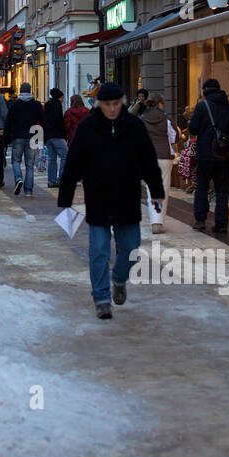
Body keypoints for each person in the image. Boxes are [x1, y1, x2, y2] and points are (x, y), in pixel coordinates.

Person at [58, 82, 165, 320]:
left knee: (130, 249)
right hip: (98, 197)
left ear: (123, 103)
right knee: (99, 250)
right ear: (99, 104)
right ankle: (102, 298)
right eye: (108, 105)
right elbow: (73, 163)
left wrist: (156, 190)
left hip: (127, 197)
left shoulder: (134, 126)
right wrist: (65, 197)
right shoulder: (88, 127)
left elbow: (148, 159)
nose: (113, 109)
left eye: (116, 104)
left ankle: (118, 279)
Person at [188, 77, 229, 233]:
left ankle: (200, 220)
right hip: (224, 155)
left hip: (205, 155)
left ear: (204, 91)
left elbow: (193, 129)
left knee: (202, 187)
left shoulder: (201, 107)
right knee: (222, 190)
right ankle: (222, 223)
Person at [141, 93, 175, 234]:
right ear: (160, 104)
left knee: (151, 190)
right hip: (165, 156)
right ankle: (159, 222)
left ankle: (154, 221)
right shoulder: (167, 119)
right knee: (164, 189)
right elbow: (174, 137)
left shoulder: (142, 119)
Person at [4, 83, 44, 196]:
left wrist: (6, 138)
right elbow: (42, 121)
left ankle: (18, 178)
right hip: (32, 137)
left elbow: (8, 121)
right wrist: (41, 138)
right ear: (30, 90)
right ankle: (28, 191)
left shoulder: (15, 104)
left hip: (17, 136)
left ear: (20, 91)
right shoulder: (36, 105)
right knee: (29, 165)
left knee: (16, 161)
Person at [41, 88, 68, 187]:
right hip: (57, 135)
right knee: (65, 156)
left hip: (48, 136)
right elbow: (59, 120)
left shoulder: (47, 104)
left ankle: (51, 181)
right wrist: (64, 133)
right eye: (62, 97)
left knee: (52, 158)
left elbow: (43, 119)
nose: (63, 99)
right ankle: (61, 179)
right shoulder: (57, 105)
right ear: (59, 97)